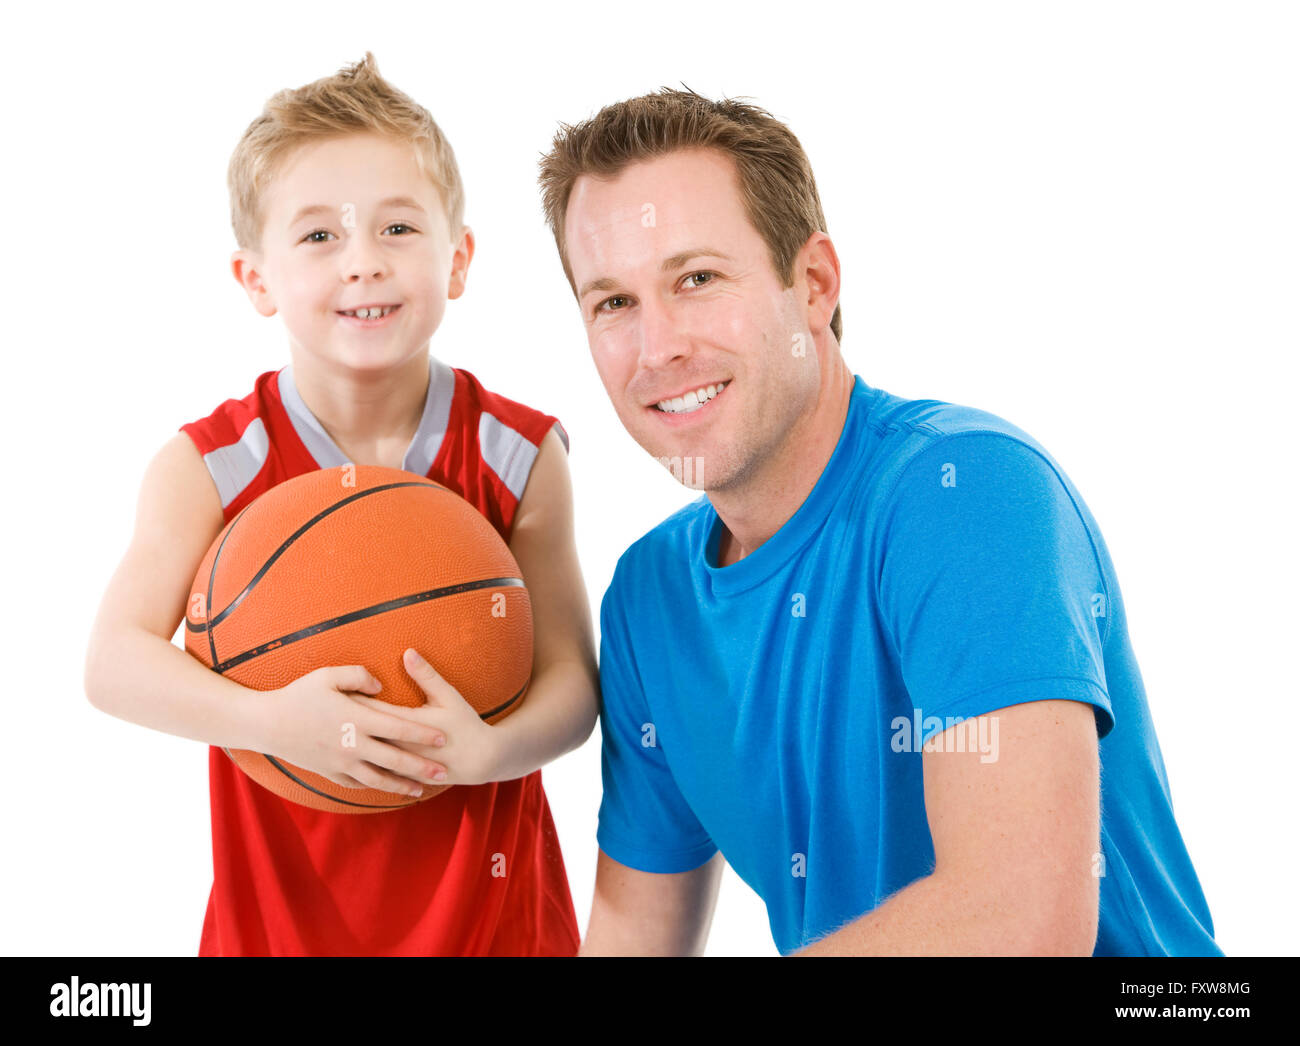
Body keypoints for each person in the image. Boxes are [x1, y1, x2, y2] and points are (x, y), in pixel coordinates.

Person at [536, 88, 1224, 956]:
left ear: (813, 283)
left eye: (698, 279)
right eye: (613, 303)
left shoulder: (963, 490)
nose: (657, 346)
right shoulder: (650, 598)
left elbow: (1019, 922)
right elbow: (635, 932)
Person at [83, 53, 598, 956]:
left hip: (496, 928)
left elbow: (571, 687)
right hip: (279, 930)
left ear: (459, 258)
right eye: (319, 237)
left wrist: (485, 753)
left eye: (399, 227)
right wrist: (268, 722)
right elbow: (112, 664)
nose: (364, 263)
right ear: (256, 279)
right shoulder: (210, 466)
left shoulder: (517, 453)